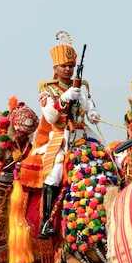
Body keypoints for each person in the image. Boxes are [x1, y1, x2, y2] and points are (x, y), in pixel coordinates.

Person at [27, 32, 101, 237]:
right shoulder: (46, 89)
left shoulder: (83, 86)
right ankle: (47, 221)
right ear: (55, 69)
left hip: (82, 134)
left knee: (110, 160)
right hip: (59, 138)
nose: (68, 69)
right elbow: (50, 116)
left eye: (71, 65)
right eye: (63, 66)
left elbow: (91, 109)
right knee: (54, 175)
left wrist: (92, 111)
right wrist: (64, 99)